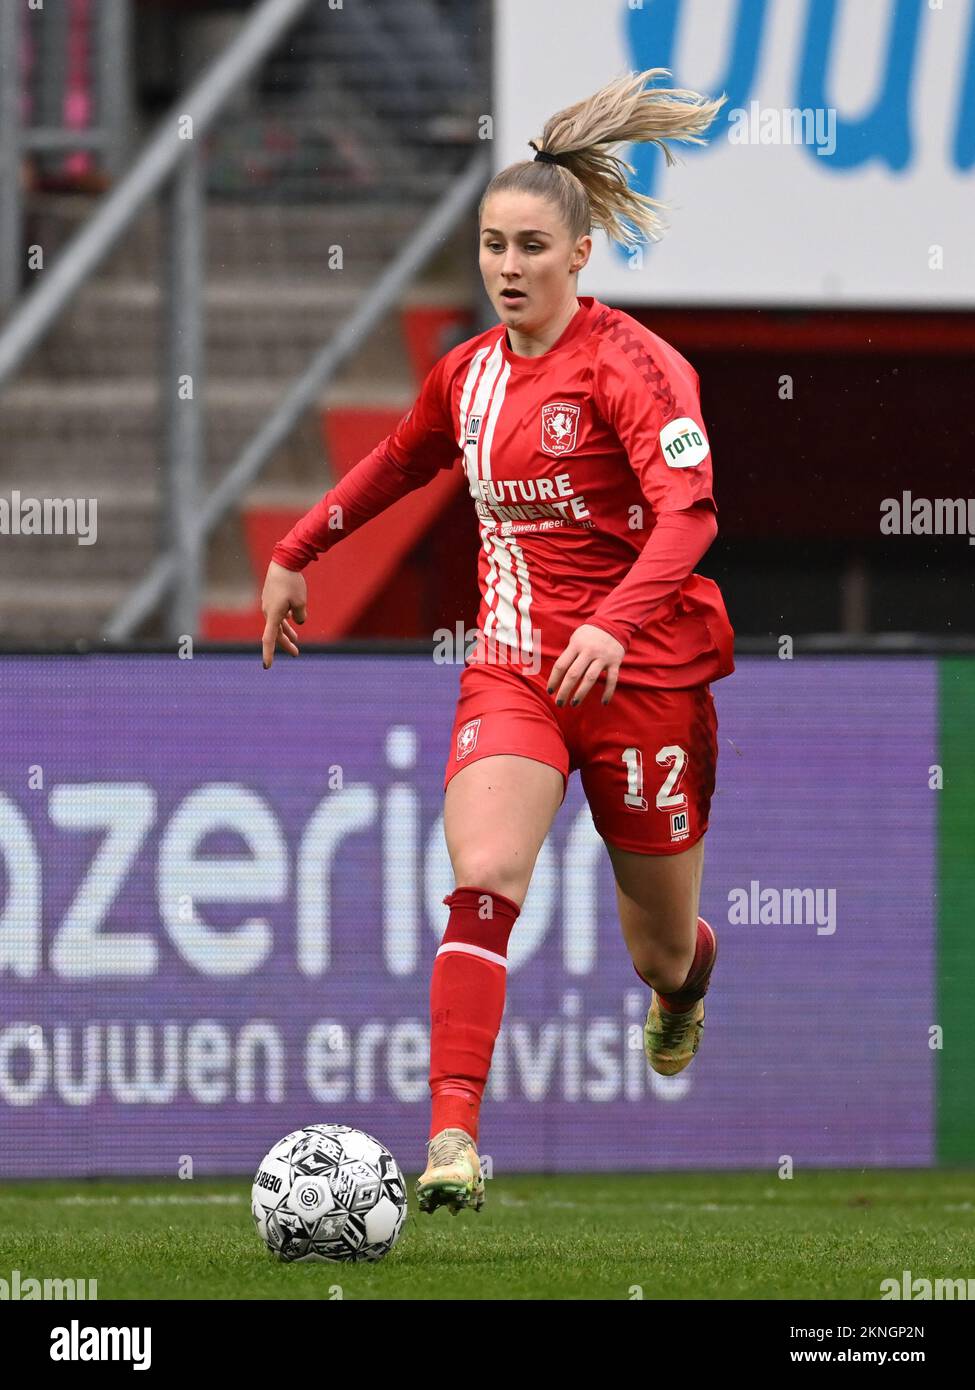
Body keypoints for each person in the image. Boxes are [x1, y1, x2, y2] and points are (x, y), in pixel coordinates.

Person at [261, 68, 734, 1216]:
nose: (508, 267)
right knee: (483, 877)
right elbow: (402, 461)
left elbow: (690, 518)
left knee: (661, 951)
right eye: (491, 245)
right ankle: (453, 1139)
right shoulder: (467, 378)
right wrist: (297, 546)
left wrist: (614, 624)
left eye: (530, 247)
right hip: (515, 670)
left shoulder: (637, 368)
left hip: (644, 675)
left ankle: (684, 990)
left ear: (580, 255)